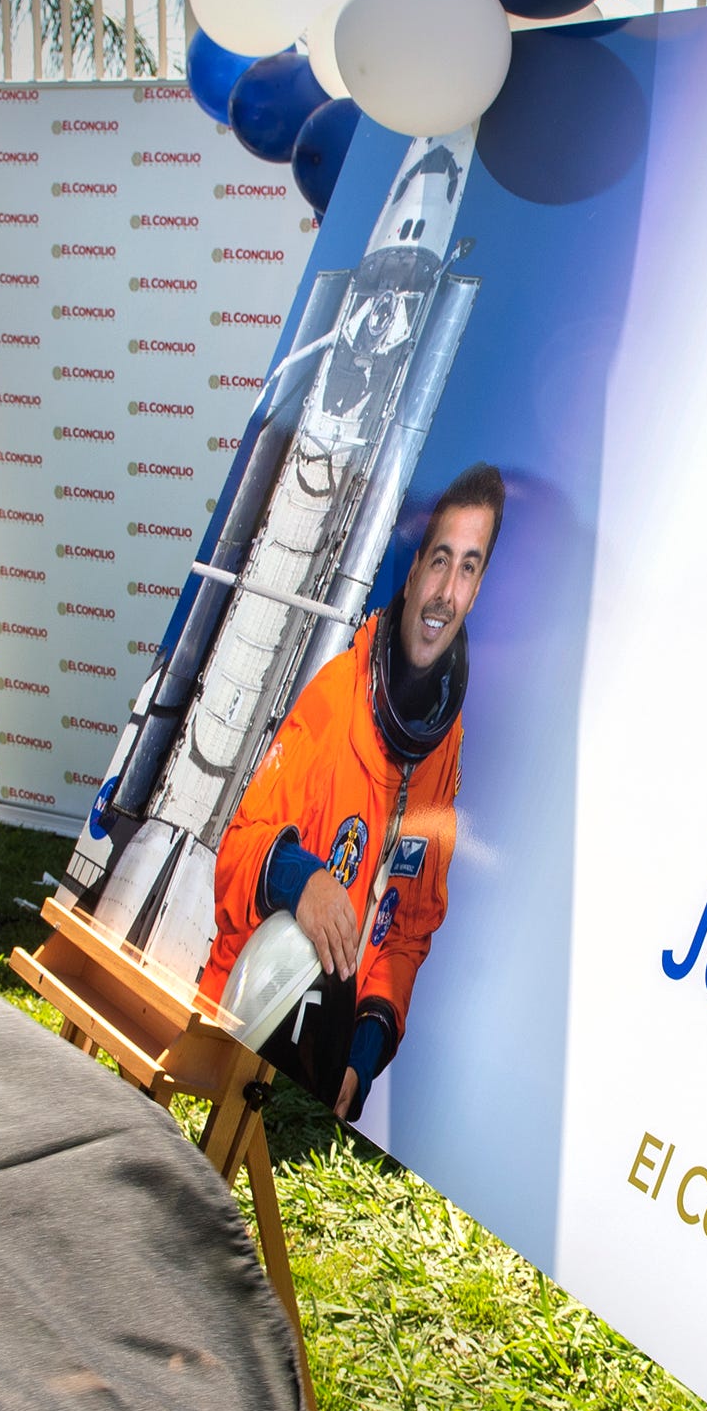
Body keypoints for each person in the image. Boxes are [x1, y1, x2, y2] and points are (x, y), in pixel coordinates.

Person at [199, 464, 501, 1120]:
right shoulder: (341, 693)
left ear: (477, 591)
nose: (447, 590)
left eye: (469, 568)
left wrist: (361, 1061)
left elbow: (410, 926)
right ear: (415, 567)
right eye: (441, 560)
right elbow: (239, 848)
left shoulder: (444, 749)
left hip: (322, 1059)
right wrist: (301, 879)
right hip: (242, 1022)